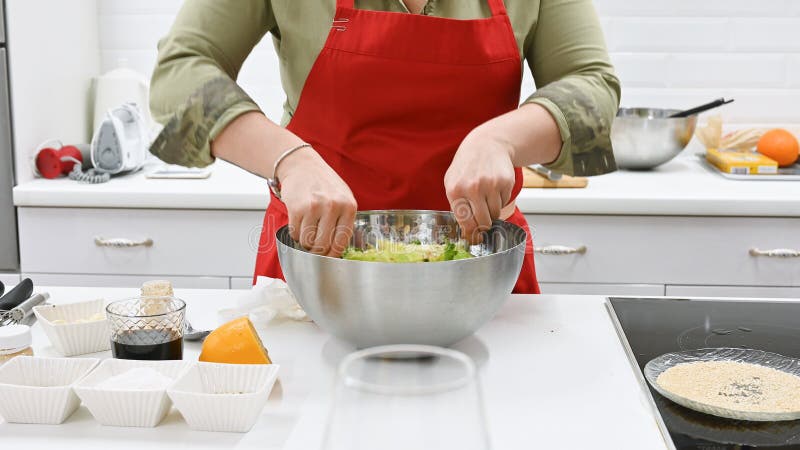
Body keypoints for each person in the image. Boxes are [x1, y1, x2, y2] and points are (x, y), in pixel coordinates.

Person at [149, 0, 620, 294]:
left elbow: (594, 87)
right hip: (319, 265)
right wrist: (287, 157)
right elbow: (180, 72)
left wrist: (500, 138)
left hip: (480, 272)